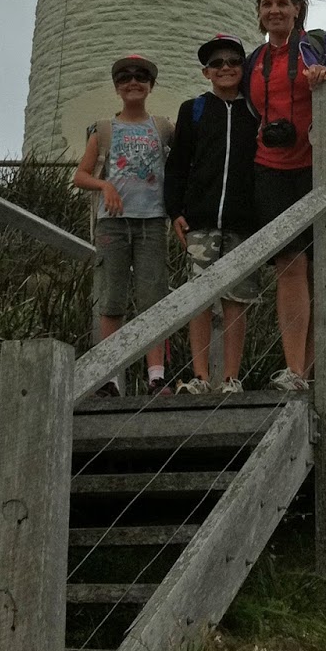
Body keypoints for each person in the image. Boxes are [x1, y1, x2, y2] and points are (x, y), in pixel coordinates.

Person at [244, 0, 326, 392]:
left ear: (298, 8)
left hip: (319, 166)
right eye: (267, 4)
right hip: (270, 169)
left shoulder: (320, 44)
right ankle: (295, 371)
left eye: (282, 3)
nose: (274, 10)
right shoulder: (254, 61)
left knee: (320, 269)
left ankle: (315, 373)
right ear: (258, 12)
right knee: (289, 266)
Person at [164, 33, 260, 396]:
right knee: (200, 298)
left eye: (233, 61)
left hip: (243, 221)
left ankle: (231, 378)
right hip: (200, 220)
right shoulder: (194, 109)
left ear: (243, 68)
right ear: (206, 72)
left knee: (237, 300)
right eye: (216, 63)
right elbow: (178, 164)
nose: (225, 68)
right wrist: (174, 210)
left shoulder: (255, 111)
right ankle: (201, 377)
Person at [72, 54, 174, 393]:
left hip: (152, 221)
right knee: (111, 300)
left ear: (151, 85)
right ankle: (111, 378)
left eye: (141, 77)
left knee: (153, 299)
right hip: (112, 224)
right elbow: (81, 175)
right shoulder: (103, 129)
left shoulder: (163, 127)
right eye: (125, 78)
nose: (133, 82)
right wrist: (105, 185)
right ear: (117, 87)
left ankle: (156, 376)